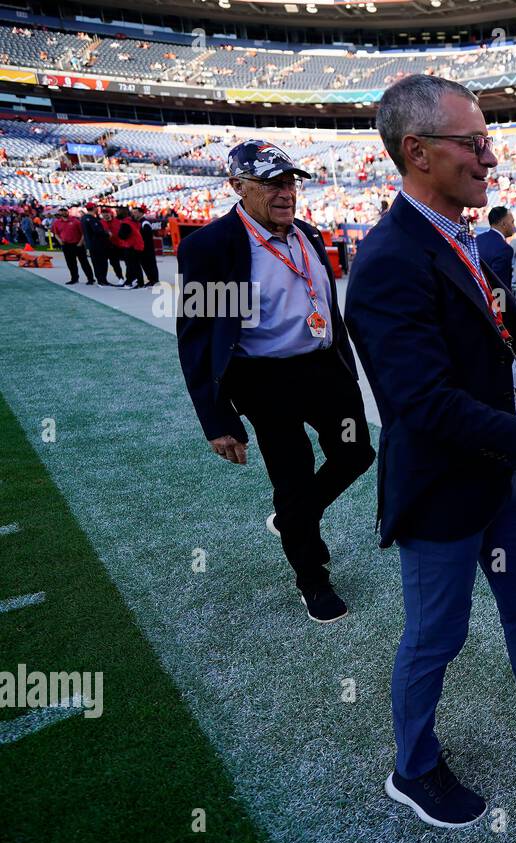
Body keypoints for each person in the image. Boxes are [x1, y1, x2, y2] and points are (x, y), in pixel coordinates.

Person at [345, 75, 516, 830]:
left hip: (499, 475)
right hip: (442, 487)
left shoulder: (464, 237)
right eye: (473, 143)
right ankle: (413, 768)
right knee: (436, 634)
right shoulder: (388, 259)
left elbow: (507, 345)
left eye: (488, 141)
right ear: (417, 151)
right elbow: (424, 403)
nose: (490, 158)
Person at [176, 140, 375, 623]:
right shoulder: (215, 246)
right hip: (265, 379)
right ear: (237, 187)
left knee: (356, 452)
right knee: (293, 476)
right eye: (271, 184)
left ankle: (292, 520)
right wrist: (216, 419)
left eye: (290, 182)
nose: (286, 192)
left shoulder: (308, 234)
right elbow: (197, 337)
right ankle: (312, 579)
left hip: (324, 368)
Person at [51, 208, 93, 285]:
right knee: (71, 263)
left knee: (84, 262)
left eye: (65, 211)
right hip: (66, 245)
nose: (63, 212)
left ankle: (90, 279)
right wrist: (59, 240)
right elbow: (56, 233)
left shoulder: (76, 221)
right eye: (61, 211)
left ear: (67, 212)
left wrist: (80, 243)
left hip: (77, 244)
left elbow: (83, 233)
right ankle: (74, 278)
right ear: (59, 213)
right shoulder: (57, 223)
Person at [82, 204, 120, 286]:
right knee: (102, 263)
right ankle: (102, 280)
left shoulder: (84, 218)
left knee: (96, 263)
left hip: (91, 244)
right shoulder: (91, 219)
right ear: (93, 208)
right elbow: (98, 231)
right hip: (98, 244)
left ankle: (100, 280)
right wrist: (107, 233)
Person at [477, 205, 514, 286]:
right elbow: (499, 284)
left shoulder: (478, 239)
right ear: (504, 224)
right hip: (492, 293)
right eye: (512, 222)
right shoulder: (505, 249)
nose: (513, 226)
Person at [132, 206, 159, 287]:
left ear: (141, 213)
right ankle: (151, 279)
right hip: (141, 247)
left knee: (150, 264)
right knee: (145, 265)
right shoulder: (138, 222)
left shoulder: (145, 223)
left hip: (147, 248)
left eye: (135, 212)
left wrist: (143, 246)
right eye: (133, 212)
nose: (133, 214)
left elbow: (147, 237)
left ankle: (154, 280)